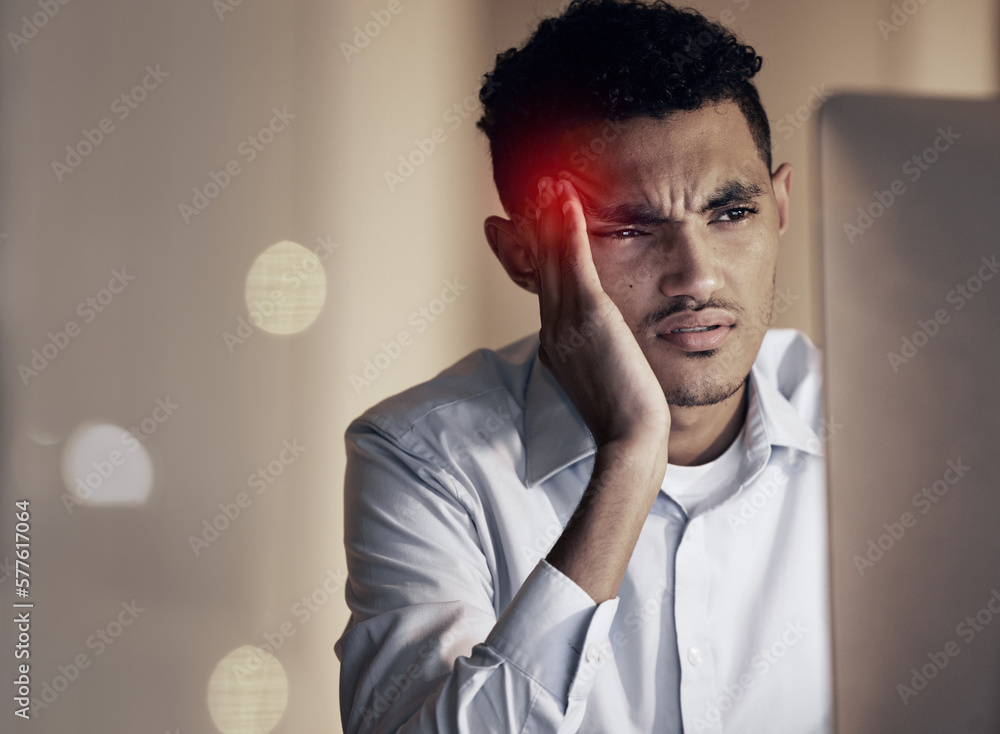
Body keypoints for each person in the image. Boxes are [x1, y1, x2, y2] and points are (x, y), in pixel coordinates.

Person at [335, 1, 832, 732]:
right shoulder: (422, 456)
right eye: (628, 229)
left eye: (731, 214)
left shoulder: (883, 414)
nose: (696, 275)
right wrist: (631, 457)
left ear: (781, 207)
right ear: (523, 255)